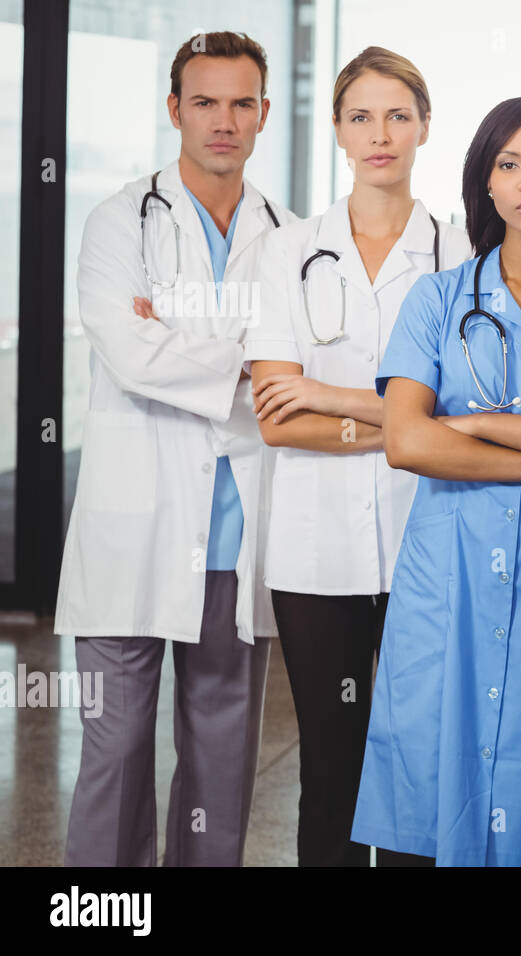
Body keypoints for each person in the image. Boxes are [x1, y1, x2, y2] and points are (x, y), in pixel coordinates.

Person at [56, 31, 293, 866]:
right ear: (174, 111)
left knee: (223, 762)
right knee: (114, 754)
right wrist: (243, 365)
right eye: (204, 101)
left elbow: (289, 374)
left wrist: (182, 342)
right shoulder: (120, 220)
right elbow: (128, 351)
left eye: (240, 103)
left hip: (234, 537)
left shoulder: (289, 238)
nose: (222, 121)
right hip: (133, 529)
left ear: (263, 114)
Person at [350, 95, 521, 866]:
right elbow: (404, 442)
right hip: (449, 580)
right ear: (485, 184)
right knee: (431, 778)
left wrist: (472, 425)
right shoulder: (435, 300)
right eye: (509, 163)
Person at [245, 47, 471, 867]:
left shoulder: (461, 255)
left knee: (419, 765)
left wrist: (335, 398)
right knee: (331, 766)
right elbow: (275, 417)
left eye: (398, 115)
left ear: (424, 127)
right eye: (361, 116)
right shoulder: (287, 250)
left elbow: (478, 415)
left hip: (429, 542)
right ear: (338, 129)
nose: (381, 134)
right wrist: (412, 424)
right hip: (316, 554)